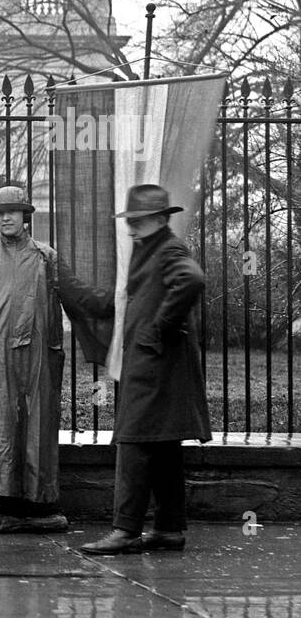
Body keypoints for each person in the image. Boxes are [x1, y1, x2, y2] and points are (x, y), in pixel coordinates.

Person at [0, 185, 114, 532]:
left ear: (26, 216)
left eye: (13, 211)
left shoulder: (46, 257)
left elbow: (76, 295)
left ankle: (38, 505)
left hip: (40, 354)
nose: (5, 218)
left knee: (38, 427)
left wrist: (116, 301)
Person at [81, 184, 211, 554]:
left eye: (137, 221)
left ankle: (126, 530)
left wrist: (157, 328)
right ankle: (169, 529)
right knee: (164, 445)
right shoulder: (150, 248)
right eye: (130, 221)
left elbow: (193, 280)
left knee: (134, 442)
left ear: (158, 219)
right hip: (158, 364)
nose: (131, 228)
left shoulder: (168, 249)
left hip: (155, 364)